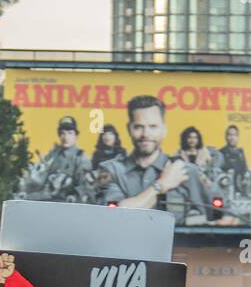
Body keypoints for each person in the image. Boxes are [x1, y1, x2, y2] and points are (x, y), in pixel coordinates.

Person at [99, 95, 238, 226]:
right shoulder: (112, 171)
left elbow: (223, 214)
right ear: (129, 129)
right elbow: (113, 217)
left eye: (153, 126)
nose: (145, 134)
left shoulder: (185, 171)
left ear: (163, 130)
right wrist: (160, 185)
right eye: (138, 127)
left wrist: (214, 223)